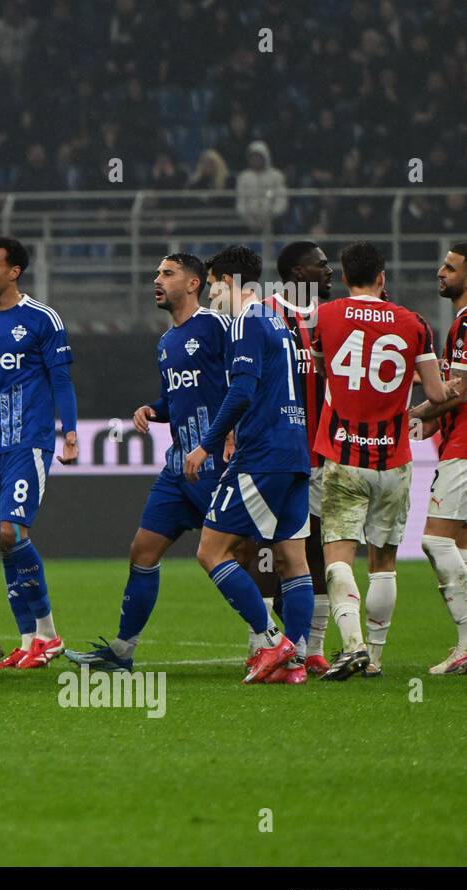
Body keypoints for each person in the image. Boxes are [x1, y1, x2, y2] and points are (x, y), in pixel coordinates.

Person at [66, 254, 231, 672]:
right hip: (178, 467)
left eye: (167, 274)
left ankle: (281, 641)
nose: (155, 280)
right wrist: (153, 411)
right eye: (157, 273)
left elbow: (242, 383)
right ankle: (122, 652)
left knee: (247, 558)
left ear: (194, 284)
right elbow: (175, 400)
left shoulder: (215, 326)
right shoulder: (166, 342)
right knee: (143, 549)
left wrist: (232, 436)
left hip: (214, 465)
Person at [310, 241, 453, 680]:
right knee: (383, 562)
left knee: (337, 555)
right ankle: (373, 656)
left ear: (344, 274)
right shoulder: (414, 323)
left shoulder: (325, 316)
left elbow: (322, 370)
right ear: (382, 276)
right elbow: (435, 395)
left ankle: (349, 645)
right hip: (393, 460)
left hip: (343, 454)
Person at [182, 245, 314, 685]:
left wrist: (206, 445)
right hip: (296, 450)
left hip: (263, 455)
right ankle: (293, 662)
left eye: (213, 284)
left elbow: (240, 392)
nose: (210, 294)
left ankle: (271, 638)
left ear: (226, 281)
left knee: (211, 551)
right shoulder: (278, 321)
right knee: (292, 560)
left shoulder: (246, 322)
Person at [0, 236, 79, 671]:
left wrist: (69, 434)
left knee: (13, 532)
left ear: (14, 271)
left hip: (28, 441)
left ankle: (48, 633)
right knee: (6, 544)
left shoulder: (42, 319)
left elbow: (61, 380)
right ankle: (29, 639)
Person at [239, 241, 335, 675]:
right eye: (322, 265)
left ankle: (311, 647)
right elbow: (243, 380)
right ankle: (261, 643)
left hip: (326, 455)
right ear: (298, 272)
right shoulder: (263, 315)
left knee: (317, 551)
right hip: (273, 452)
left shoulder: (333, 320)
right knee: (262, 551)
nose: (330, 272)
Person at [411, 242, 467, 676]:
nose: (440, 272)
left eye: (450, 267)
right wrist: (428, 420)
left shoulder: (466, 323)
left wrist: (408, 414)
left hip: (464, 450)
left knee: (435, 539)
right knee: (462, 545)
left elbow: (458, 392)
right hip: (456, 439)